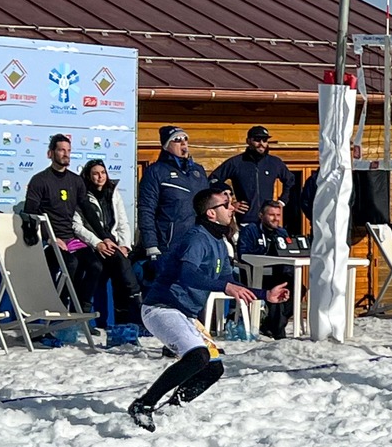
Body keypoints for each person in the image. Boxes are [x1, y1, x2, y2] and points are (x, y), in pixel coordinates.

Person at [128, 186, 287, 431]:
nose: (232, 207)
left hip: (185, 313)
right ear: (211, 213)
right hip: (161, 308)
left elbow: (230, 283)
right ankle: (143, 404)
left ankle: (173, 408)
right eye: (225, 204)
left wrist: (265, 294)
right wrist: (225, 286)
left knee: (213, 368)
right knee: (197, 357)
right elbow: (188, 273)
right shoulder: (196, 237)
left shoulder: (219, 242)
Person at [74, 158, 142, 332]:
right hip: (89, 245)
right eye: (95, 174)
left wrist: (125, 245)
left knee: (121, 267)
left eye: (103, 173)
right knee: (109, 267)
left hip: (112, 243)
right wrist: (97, 243)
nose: (100, 177)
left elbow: (123, 222)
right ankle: (137, 306)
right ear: (88, 176)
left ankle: (125, 319)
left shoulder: (113, 192)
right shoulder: (81, 195)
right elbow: (77, 226)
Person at [138, 126, 209, 260]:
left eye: (185, 139)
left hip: (199, 240)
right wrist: (151, 244)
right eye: (177, 140)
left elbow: (209, 205)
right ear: (166, 146)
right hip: (170, 243)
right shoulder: (156, 171)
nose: (183, 143)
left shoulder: (198, 171)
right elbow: (146, 209)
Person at [237, 198, 299, 339]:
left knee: (298, 287)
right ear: (261, 215)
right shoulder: (250, 230)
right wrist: (264, 254)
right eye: (271, 215)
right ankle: (278, 332)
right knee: (277, 289)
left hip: (279, 273)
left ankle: (270, 325)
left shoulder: (282, 233)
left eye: (278, 215)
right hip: (257, 274)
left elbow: (288, 253)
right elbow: (243, 254)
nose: (275, 218)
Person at [212, 125, 295, 223]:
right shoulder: (236, 162)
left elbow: (290, 180)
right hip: (244, 221)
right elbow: (213, 181)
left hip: (267, 222)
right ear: (248, 141)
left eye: (264, 140)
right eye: (257, 140)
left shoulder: (275, 163)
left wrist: (282, 201)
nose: (262, 144)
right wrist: (229, 203)